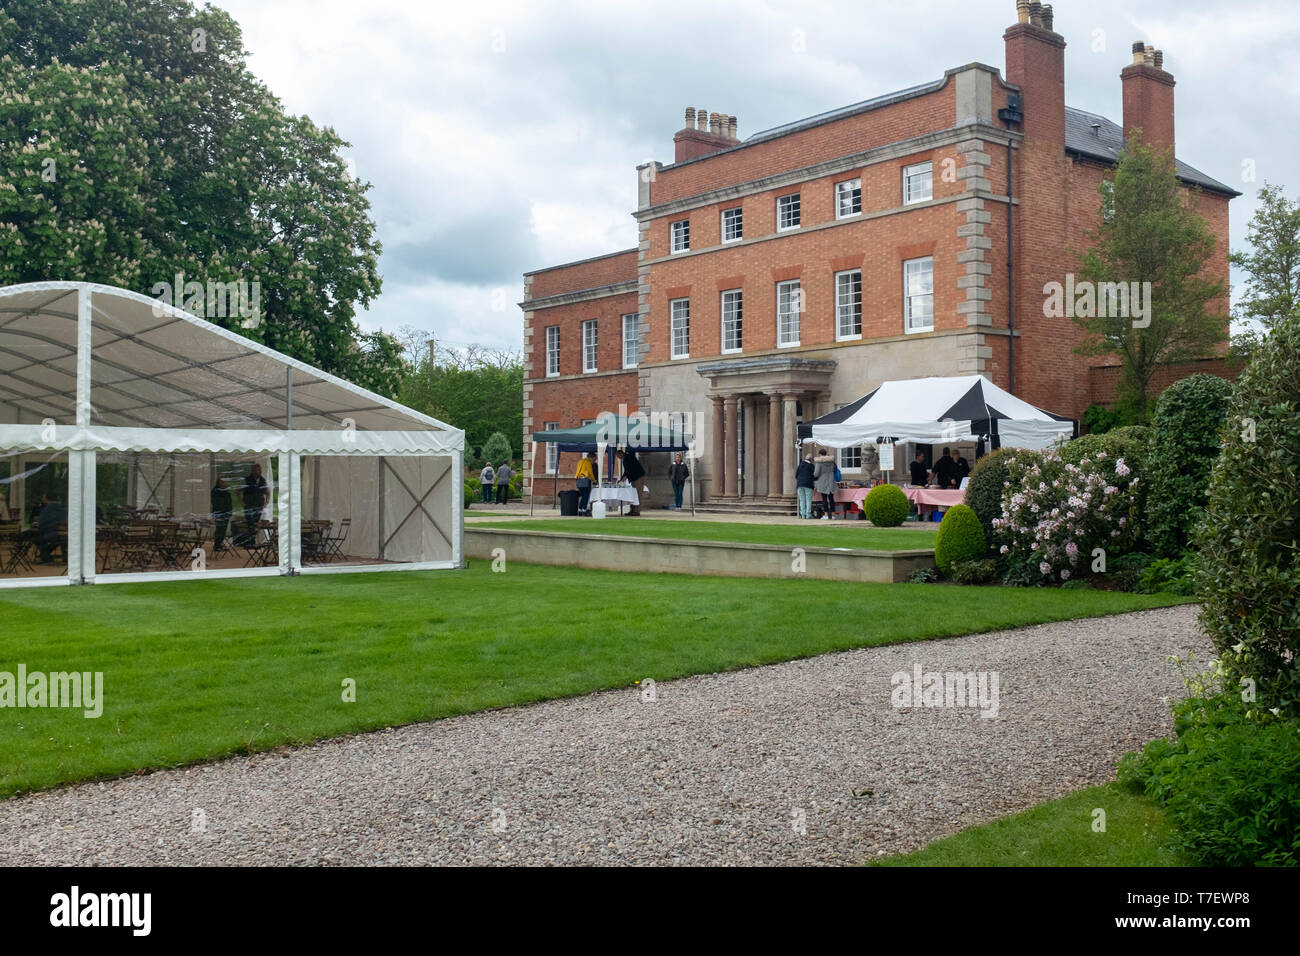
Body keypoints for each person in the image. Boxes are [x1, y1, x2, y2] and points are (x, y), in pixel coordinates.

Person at [35, 492, 67, 564]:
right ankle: (46, 555)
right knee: (54, 541)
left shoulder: (46, 510)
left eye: (43, 498)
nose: (42, 500)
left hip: (51, 534)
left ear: (47, 499)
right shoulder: (64, 508)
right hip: (65, 535)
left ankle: (46, 558)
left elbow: (41, 526)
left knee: (35, 538)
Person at [239, 463, 268, 545]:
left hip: (259, 505)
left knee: (255, 523)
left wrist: (266, 502)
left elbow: (267, 492)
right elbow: (237, 491)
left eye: (260, 469)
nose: (260, 471)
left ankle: (251, 541)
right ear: (253, 470)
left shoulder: (263, 480)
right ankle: (250, 542)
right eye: (258, 469)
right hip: (249, 505)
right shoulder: (246, 480)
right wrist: (241, 502)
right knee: (250, 523)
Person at [812, 448, 837, 520]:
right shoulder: (832, 461)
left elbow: (816, 474)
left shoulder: (819, 462)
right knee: (831, 499)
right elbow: (835, 469)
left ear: (820, 454)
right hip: (831, 481)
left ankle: (826, 515)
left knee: (824, 499)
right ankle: (833, 515)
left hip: (823, 481)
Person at [620, 446, 645, 516]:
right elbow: (626, 471)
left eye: (618, 456)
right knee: (633, 494)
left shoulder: (629, 458)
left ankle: (637, 511)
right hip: (634, 478)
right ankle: (633, 510)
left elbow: (629, 470)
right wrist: (622, 478)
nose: (618, 458)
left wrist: (624, 478)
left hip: (638, 477)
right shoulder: (625, 459)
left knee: (638, 494)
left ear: (621, 454)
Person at [210, 477, 232, 552]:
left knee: (223, 529)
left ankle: (221, 543)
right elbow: (215, 502)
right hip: (219, 513)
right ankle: (217, 545)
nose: (224, 483)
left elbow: (229, 501)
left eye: (225, 482)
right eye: (223, 482)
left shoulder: (226, 491)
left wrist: (229, 511)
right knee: (219, 529)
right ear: (219, 482)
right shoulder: (215, 491)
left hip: (226, 512)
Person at [795, 452, 816, 519]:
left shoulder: (800, 465)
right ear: (811, 459)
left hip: (800, 484)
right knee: (808, 500)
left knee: (802, 500)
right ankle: (808, 514)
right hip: (808, 484)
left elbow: (796, 476)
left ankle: (803, 515)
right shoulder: (811, 466)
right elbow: (813, 476)